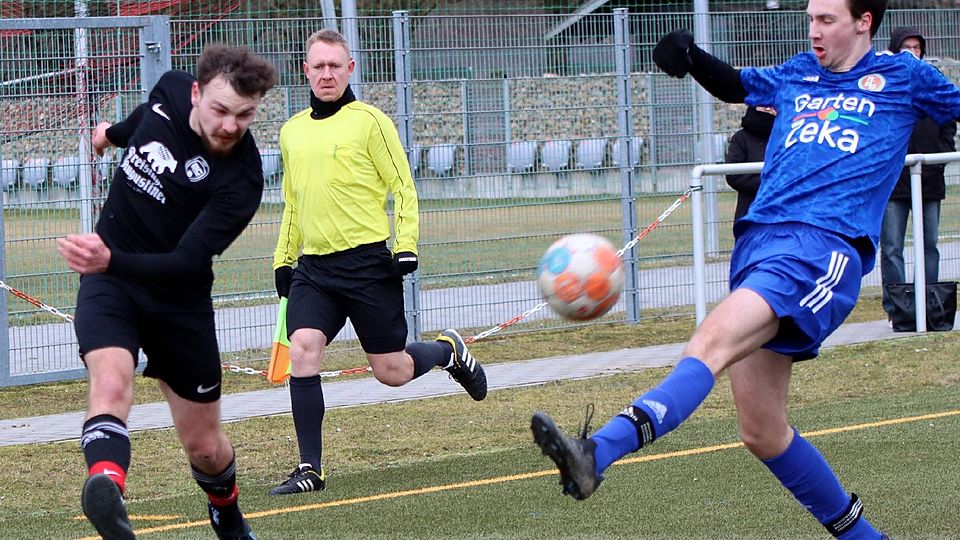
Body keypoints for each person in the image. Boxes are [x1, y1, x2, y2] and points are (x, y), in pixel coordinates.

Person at [531, 0, 960, 537]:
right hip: (758, 244)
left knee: (709, 342)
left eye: (827, 19)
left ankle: (598, 450)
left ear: (863, 21)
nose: (815, 30)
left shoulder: (905, 76)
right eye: (810, 19)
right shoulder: (799, 72)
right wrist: (691, 57)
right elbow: (737, 86)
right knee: (763, 431)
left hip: (820, 248)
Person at [57, 44, 277, 539]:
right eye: (220, 110)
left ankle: (226, 511)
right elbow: (144, 119)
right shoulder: (170, 89)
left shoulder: (242, 180)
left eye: (244, 116)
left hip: (179, 300)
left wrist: (109, 258)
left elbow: (184, 263)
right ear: (196, 93)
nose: (229, 126)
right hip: (111, 282)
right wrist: (108, 135)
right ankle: (107, 488)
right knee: (111, 382)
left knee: (204, 446)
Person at [270, 29, 487, 496]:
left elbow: (403, 187)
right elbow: (292, 202)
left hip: (369, 267)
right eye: (318, 66)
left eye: (335, 65)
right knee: (303, 350)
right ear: (305, 71)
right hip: (314, 270)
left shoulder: (371, 122)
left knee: (392, 372)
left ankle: (448, 351)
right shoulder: (292, 131)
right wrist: (283, 260)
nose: (326, 74)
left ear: (350, 69)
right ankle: (310, 469)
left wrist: (405, 246)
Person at [880, 26, 957, 325]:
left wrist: (938, 159)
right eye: (905, 47)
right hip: (893, 183)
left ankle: (930, 304)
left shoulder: (934, 83)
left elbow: (949, 122)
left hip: (929, 180)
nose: (912, 52)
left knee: (929, 246)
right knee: (892, 248)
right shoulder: (884, 86)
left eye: (916, 47)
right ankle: (898, 308)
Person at [725, 106, 777, 222]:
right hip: (750, 211)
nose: (767, 110)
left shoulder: (787, 136)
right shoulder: (741, 138)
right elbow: (734, 175)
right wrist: (770, 184)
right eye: (763, 106)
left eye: (770, 106)